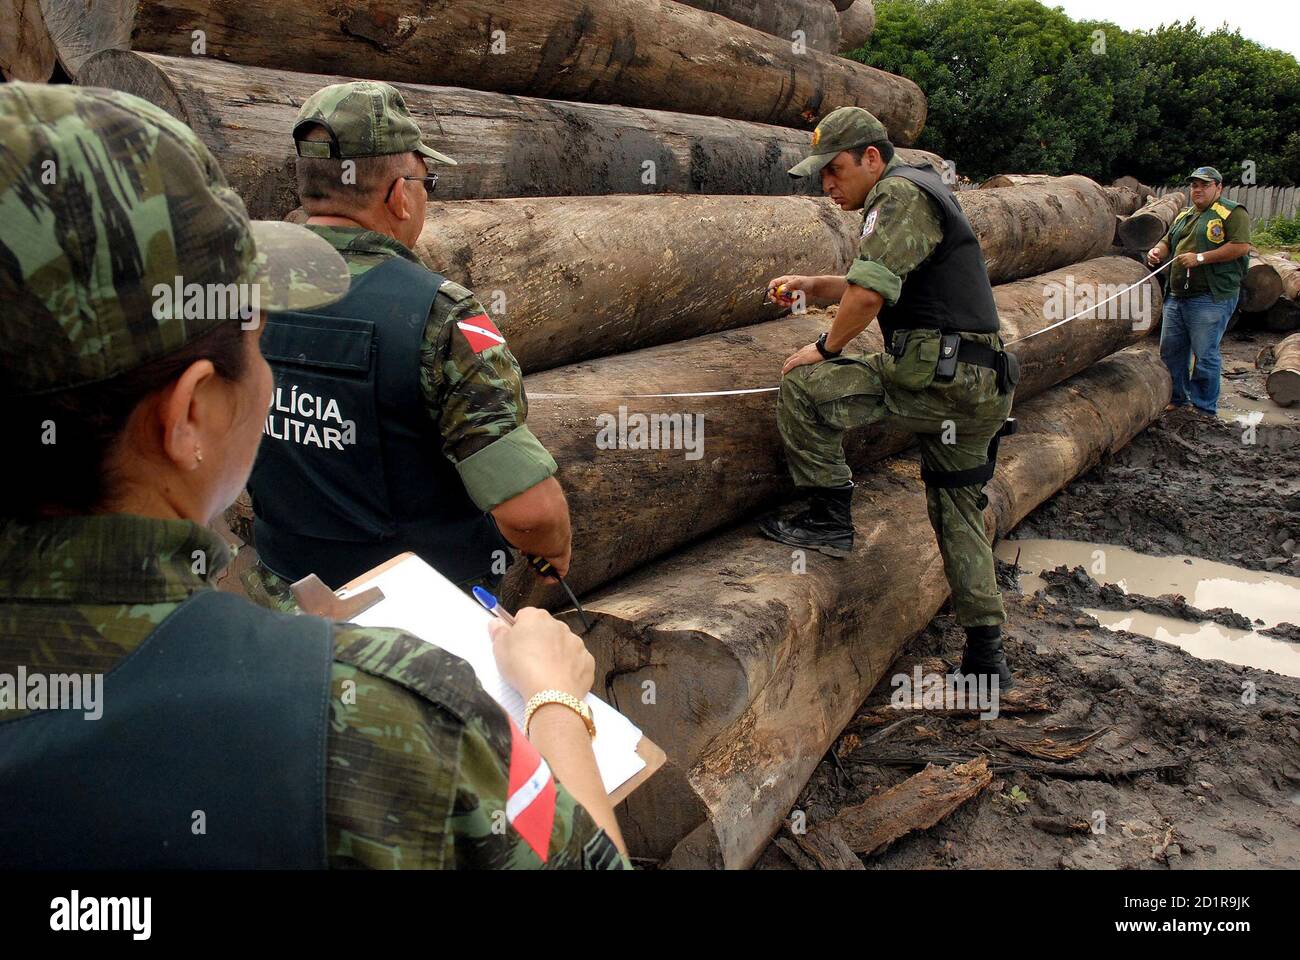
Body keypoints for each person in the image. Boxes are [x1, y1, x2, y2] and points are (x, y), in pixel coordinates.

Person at [0, 82, 626, 870]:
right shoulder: (383, 726)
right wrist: (555, 701)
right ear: (187, 416)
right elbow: (530, 510)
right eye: (255, 340)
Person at [244, 80, 570, 607]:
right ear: (399, 195)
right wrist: (551, 548)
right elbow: (530, 513)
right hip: (417, 627)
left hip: (283, 606)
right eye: (426, 181)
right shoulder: (443, 314)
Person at [760, 107, 1020, 688]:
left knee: (804, 385)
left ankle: (828, 517)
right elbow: (871, 283)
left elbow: (870, 298)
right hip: (981, 386)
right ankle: (986, 654)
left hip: (934, 379)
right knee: (957, 513)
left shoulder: (896, 197)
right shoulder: (921, 189)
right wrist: (814, 285)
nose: (827, 185)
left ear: (871, 158)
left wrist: (825, 350)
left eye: (835, 170)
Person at [1146, 166, 1251, 416]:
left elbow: (1241, 247)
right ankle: (1177, 398)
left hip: (1210, 295)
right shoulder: (1185, 215)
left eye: (1204, 185)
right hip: (1178, 294)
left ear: (1218, 187)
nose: (1198, 189)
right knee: (1171, 351)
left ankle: (1204, 407)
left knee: (1205, 353)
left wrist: (1201, 258)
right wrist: (1158, 250)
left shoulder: (1231, 212)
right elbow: (1168, 240)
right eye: (1194, 185)